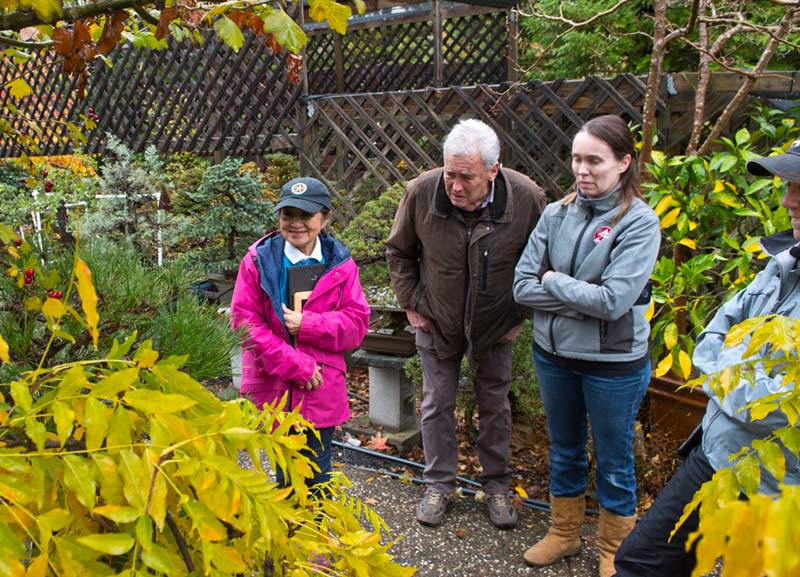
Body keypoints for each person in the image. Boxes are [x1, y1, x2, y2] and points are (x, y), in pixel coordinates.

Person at [613, 137, 800, 577]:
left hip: (780, 485)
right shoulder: (782, 263)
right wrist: (732, 380)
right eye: (788, 185)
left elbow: (780, 407)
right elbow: (713, 335)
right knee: (640, 560)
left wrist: (721, 384)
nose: (789, 199)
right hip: (717, 454)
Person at [513, 114, 661, 576]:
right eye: (577, 158)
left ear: (623, 163)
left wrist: (553, 281)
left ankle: (614, 551)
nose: (582, 169)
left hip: (612, 364)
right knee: (565, 448)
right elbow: (521, 287)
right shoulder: (556, 214)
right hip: (553, 357)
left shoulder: (639, 223)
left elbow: (614, 301)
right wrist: (582, 300)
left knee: (614, 461)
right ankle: (563, 533)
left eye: (594, 160)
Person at [385, 118, 546, 529]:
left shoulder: (526, 198)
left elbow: (543, 263)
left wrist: (520, 314)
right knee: (437, 404)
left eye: (466, 177)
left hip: (496, 323)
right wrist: (412, 304)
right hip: (436, 319)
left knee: (496, 406)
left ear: (493, 171)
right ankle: (439, 483)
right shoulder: (421, 191)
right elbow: (400, 253)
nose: (455, 186)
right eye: (449, 173)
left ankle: (496, 486)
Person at [230, 177, 370, 490]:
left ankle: (316, 535)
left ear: (325, 218)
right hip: (275, 388)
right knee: (286, 477)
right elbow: (244, 322)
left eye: (305, 215)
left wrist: (308, 324)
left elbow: (357, 323)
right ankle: (291, 538)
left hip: (322, 389)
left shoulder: (341, 264)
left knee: (318, 477)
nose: (296, 224)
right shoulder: (258, 260)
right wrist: (295, 364)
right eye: (287, 214)